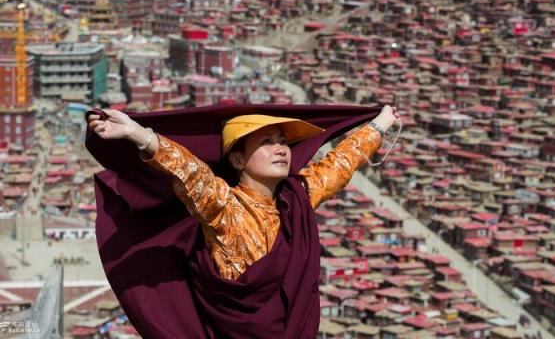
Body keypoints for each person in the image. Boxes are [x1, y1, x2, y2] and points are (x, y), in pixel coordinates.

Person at [86, 104, 400, 338]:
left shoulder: (296, 200)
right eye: (266, 142)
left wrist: (379, 125)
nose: (280, 149)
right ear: (237, 160)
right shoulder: (225, 207)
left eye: (283, 142)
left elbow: (339, 164)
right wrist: (136, 132)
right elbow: (189, 172)